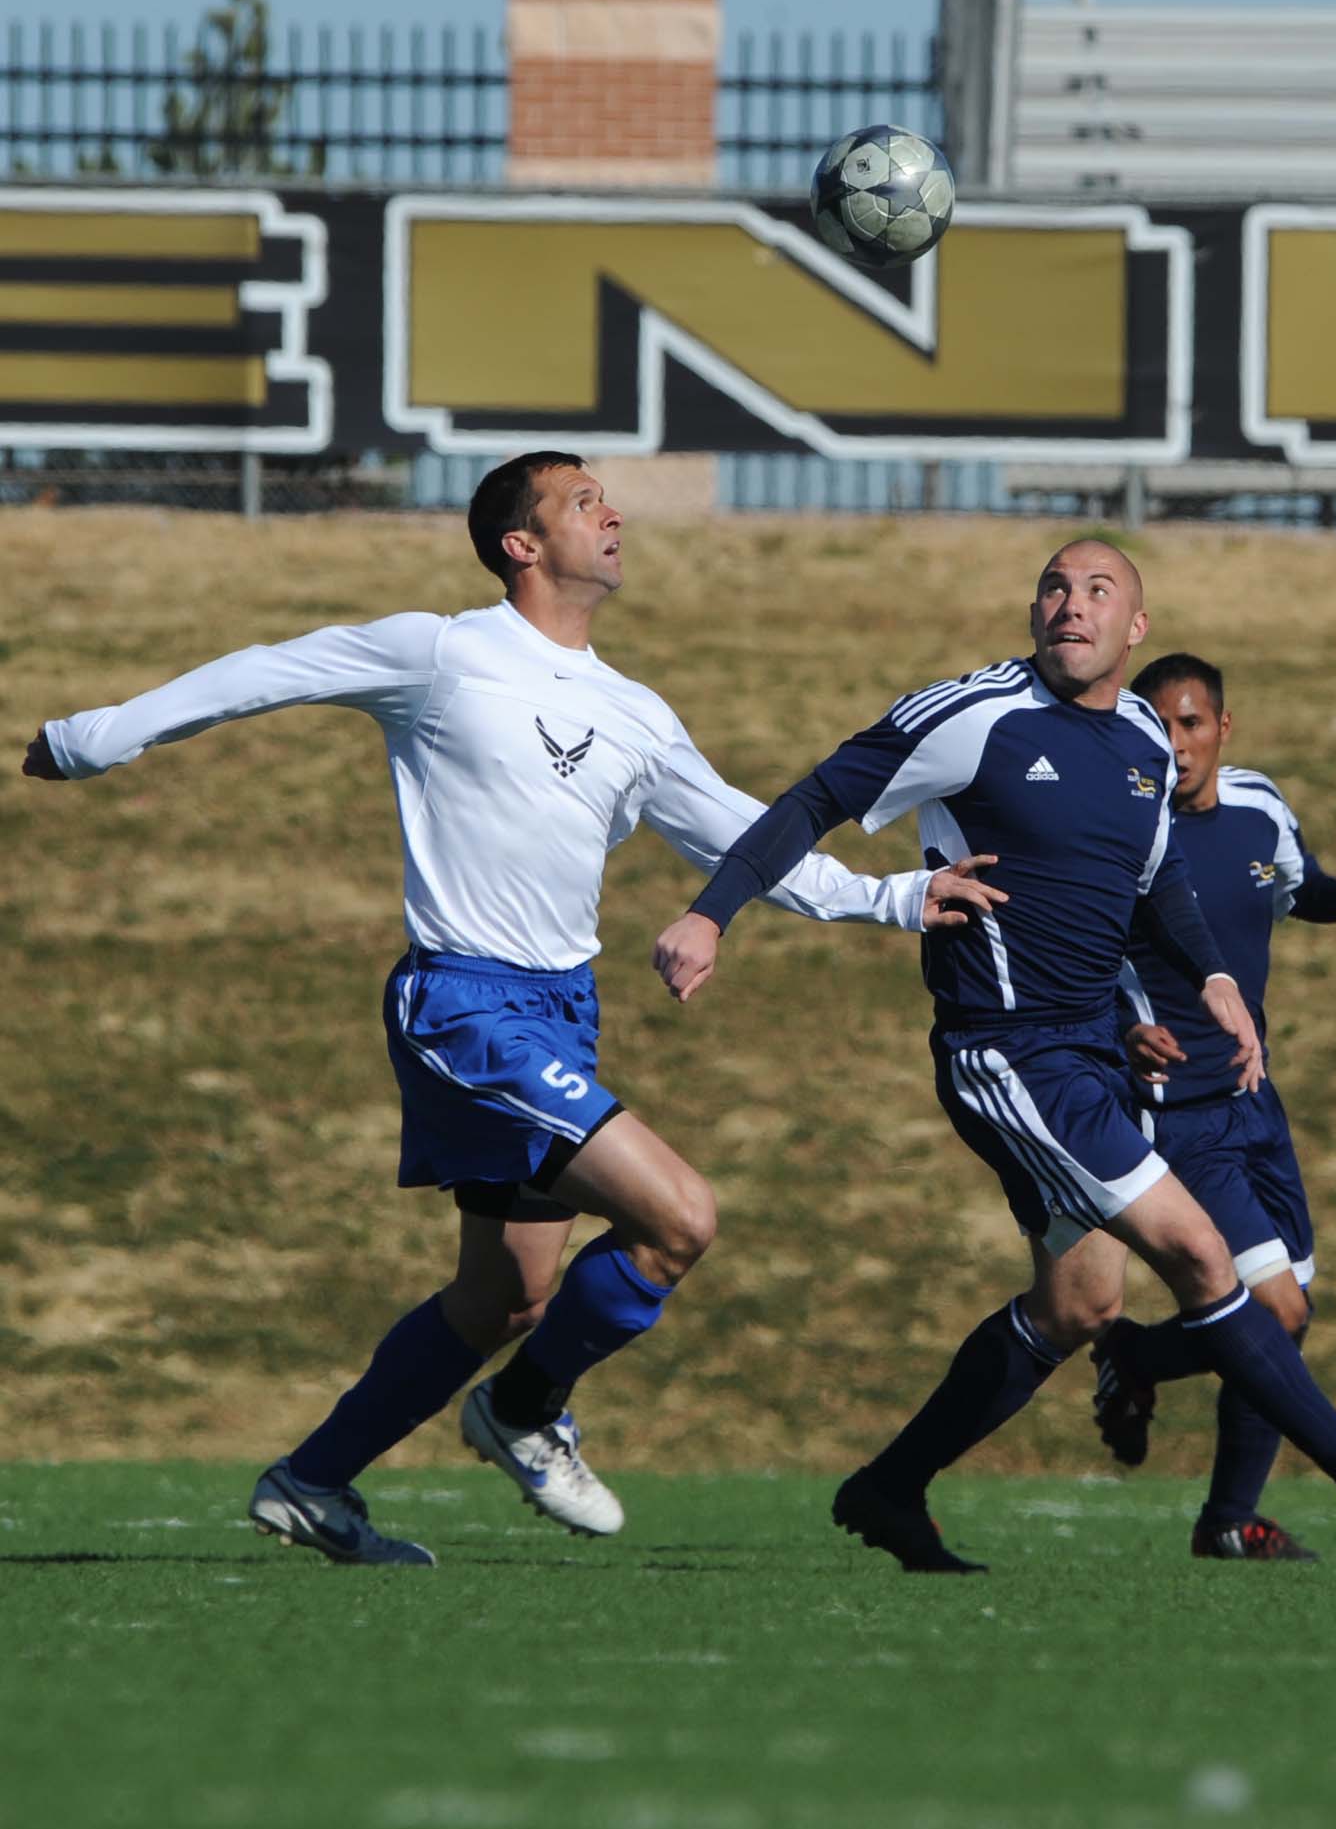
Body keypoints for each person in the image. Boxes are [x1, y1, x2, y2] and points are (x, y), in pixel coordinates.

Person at [22, 451, 995, 1568]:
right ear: (521, 545)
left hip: (561, 1013)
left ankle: (313, 1483)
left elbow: (744, 836)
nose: (612, 513)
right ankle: (525, 1411)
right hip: (464, 1008)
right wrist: (96, 736)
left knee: (505, 1297)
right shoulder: (442, 651)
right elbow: (267, 672)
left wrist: (895, 896)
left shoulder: (634, 713)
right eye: (583, 502)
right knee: (680, 1217)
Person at [654, 539, 1336, 1573]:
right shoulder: (974, 716)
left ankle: (889, 1488)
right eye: (1055, 588)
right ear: (1035, 613)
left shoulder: (1142, 740)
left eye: (1098, 591)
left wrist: (1212, 976)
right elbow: (813, 799)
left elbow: (1156, 881)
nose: (1072, 605)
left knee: (1079, 1306)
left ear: (1136, 627)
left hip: (1090, 1060)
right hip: (1009, 1054)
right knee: (1201, 1255)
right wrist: (710, 914)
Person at [1093, 651, 1336, 1561]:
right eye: (1158, 726)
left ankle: (1217, 1496)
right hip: (1177, 1112)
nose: (1175, 744)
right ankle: (1225, 1501)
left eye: (1191, 724)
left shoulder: (1260, 806)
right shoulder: (1119, 830)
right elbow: (1072, 957)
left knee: (1289, 1310)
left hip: (1254, 1097)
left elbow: (1298, 888)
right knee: (1274, 1312)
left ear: (1223, 729)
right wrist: (1123, 1031)